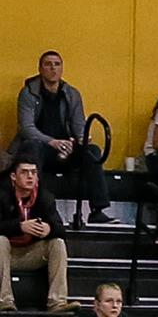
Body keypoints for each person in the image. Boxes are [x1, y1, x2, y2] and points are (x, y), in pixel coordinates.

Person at [10, 51, 113, 225]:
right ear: (40, 69)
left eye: (57, 64)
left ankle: (98, 210)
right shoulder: (28, 93)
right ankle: (37, 209)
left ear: (62, 68)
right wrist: (52, 142)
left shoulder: (72, 93)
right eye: (48, 64)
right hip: (42, 147)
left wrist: (81, 139)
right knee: (32, 147)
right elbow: (27, 129)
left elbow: (79, 125)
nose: (53, 68)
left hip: (66, 147)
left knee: (93, 151)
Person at [2, 155, 72, 312]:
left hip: (31, 253)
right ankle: (4, 300)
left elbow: (61, 229)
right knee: (0, 241)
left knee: (57, 243)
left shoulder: (45, 198)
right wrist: (19, 227)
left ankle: (57, 302)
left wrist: (49, 229)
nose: (30, 176)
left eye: (33, 172)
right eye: (24, 172)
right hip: (6, 253)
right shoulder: (2, 196)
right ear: (13, 176)